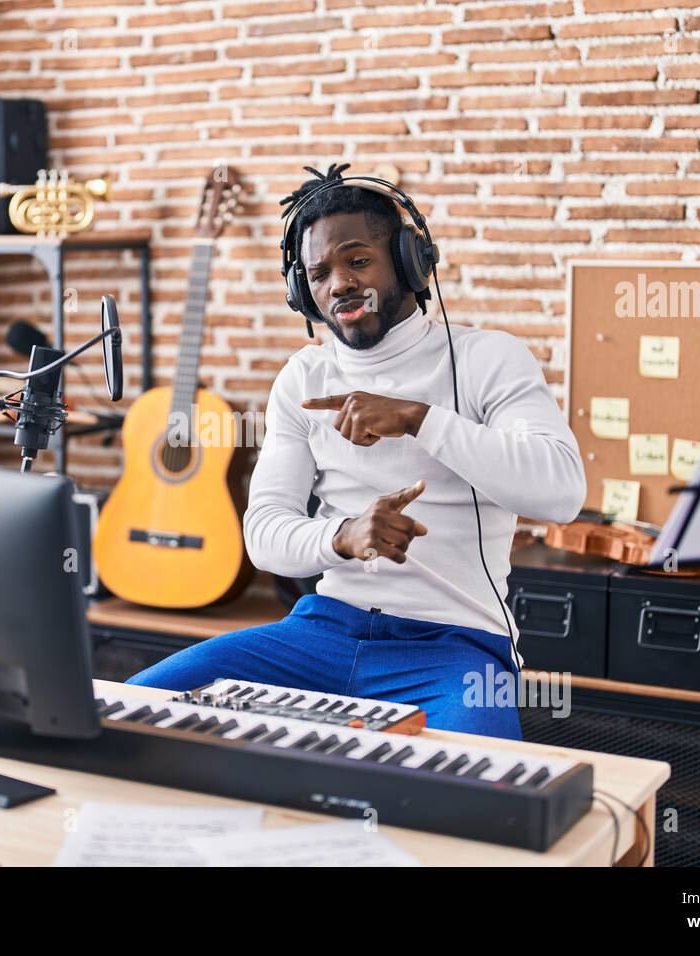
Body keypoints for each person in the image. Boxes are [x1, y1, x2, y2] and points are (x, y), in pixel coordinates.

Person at [127, 164, 585, 739]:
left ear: (410, 262)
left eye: (358, 260)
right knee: (135, 710)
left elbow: (562, 491)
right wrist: (342, 536)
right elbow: (264, 534)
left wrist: (418, 419)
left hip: (453, 646)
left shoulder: (488, 359)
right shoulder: (302, 377)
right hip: (323, 632)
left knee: (482, 786)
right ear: (304, 293)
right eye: (319, 273)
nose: (339, 282)